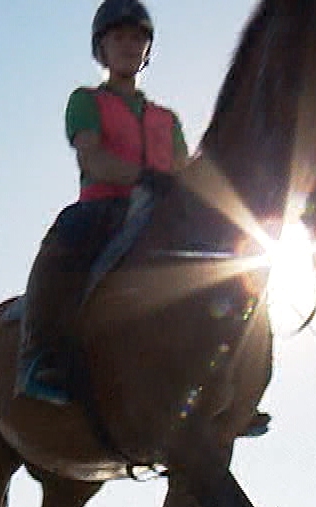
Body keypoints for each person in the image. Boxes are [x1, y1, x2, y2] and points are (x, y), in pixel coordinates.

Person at [16, 0, 189, 406]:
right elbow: (91, 157)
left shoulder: (168, 119)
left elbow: (185, 170)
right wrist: (145, 178)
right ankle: (40, 355)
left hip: (165, 215)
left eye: (137, 37)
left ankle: (236, 384)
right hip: (105, 208)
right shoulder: (86, 100)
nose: (129, 45)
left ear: (148, 49)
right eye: (119, 37)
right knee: (67, 231)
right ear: (102, 49)